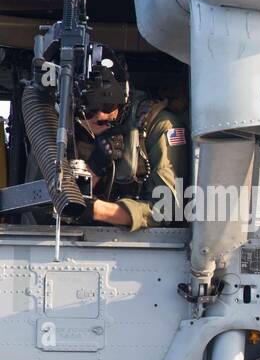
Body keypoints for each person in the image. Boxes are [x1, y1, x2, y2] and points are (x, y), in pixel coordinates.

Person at [41, 54, 188, 229]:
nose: (99, 116)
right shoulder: (60, 129)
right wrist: (94, 167)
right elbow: (45, 204)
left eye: (107, 106)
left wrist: (99, 210)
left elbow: (165, 209)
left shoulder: (159, 126)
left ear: (124, 97)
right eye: (89, 109)